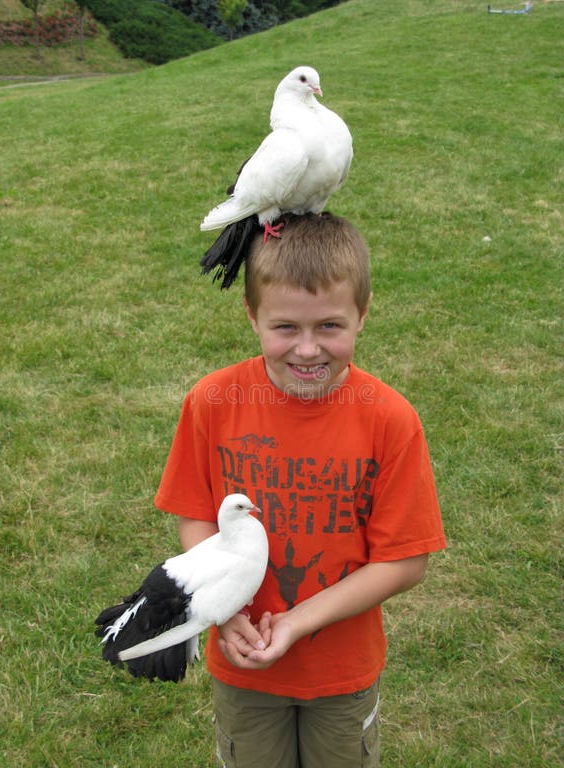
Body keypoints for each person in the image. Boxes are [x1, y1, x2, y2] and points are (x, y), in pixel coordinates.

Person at [155, 213, 446, 768]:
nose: (308, 350)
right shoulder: (212, 403)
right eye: (286, 327)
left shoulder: (390, 420)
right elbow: (196, 518)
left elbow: (405, 562)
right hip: (240, 659)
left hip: (340, 672)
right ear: (251, 315)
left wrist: (295, 622)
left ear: (362, 315)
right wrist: (224, 612)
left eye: (330, 327)